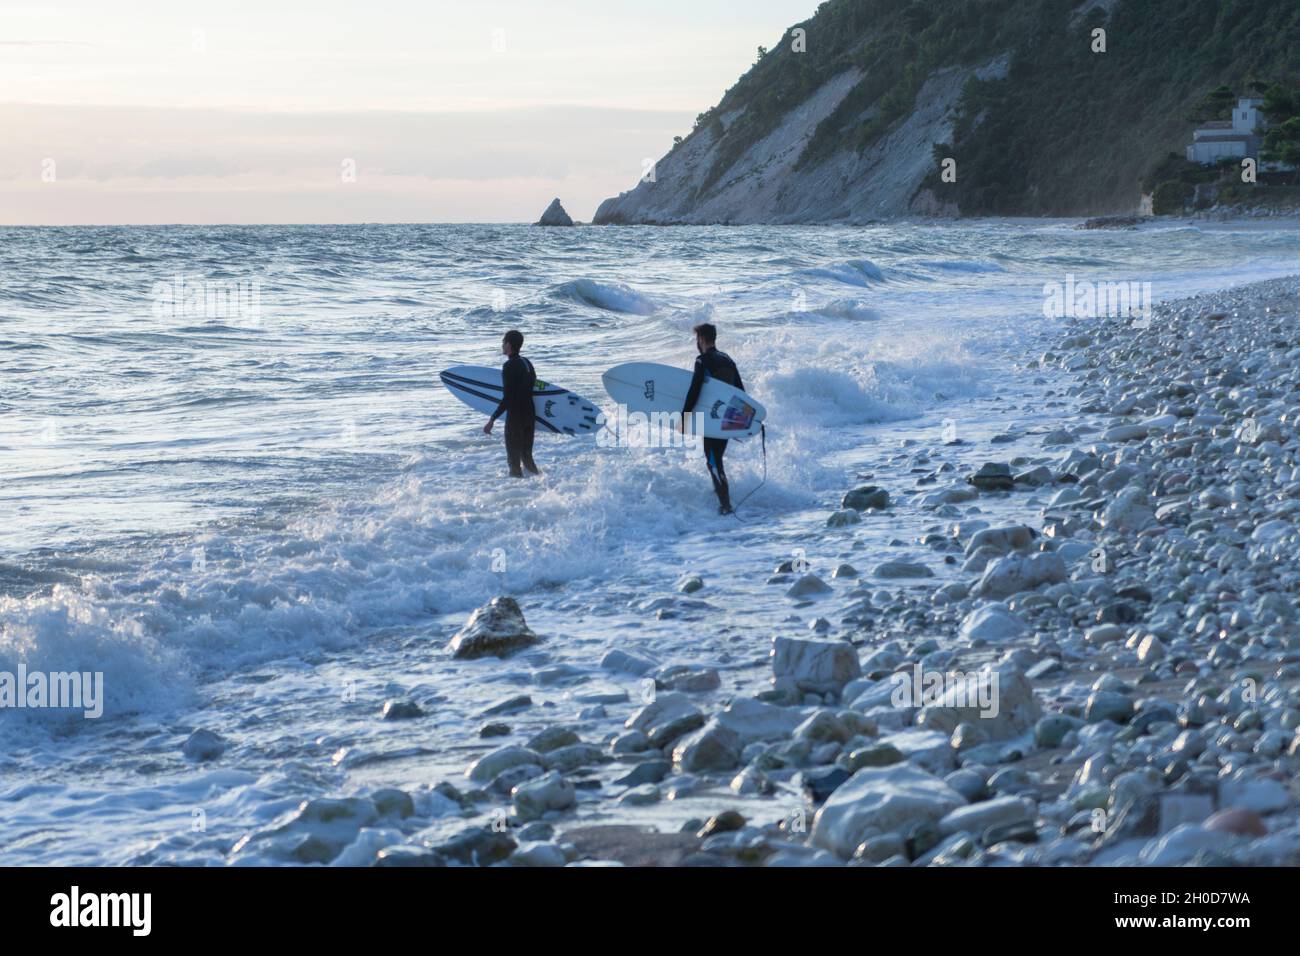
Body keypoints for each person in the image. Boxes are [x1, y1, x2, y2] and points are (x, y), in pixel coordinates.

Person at [681, 322, 743, 514]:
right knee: (717, 460)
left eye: (697, 339)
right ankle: (722, 500)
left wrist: (684, 417)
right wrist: (737, 423)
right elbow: (741, 391)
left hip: (711, 420)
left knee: (713, 462)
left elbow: (694, 391)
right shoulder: (728, 359)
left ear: (701, 339)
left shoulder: (702, 361)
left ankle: (726, 506)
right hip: (726, 420)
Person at [483, 329, 540, 477]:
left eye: (503, 342)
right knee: (527, 457)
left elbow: (508, 398)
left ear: (508, 345)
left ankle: (519, 494)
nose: (502, 345)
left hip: (516, 417)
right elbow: (533, 387)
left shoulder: (509, 366)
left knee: (514, 462)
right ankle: (538, 486)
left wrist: (492, 419)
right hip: (530, 415)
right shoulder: (527, 363)